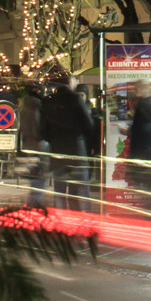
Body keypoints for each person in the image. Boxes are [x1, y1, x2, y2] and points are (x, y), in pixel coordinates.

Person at [39, 69, 94, 210]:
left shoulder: (48, 102)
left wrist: (54, 138)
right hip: (76, 150)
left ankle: (62, 225)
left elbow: (43, 131)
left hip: (58, 151)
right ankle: (84, 224)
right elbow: (88, 124)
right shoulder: (76, 99)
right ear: (70, 83)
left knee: (60, 192)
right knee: (80, 191)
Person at [124, 78, 151, 212]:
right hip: (148, 152)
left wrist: (128, 131)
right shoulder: (149, 105)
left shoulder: (143, 107)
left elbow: (143, 130)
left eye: (136, 89)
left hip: (143, 153)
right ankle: (150, 213)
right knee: (146, 186)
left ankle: (150, 214)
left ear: (141, 90)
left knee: (146, 186)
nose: (134, 91)